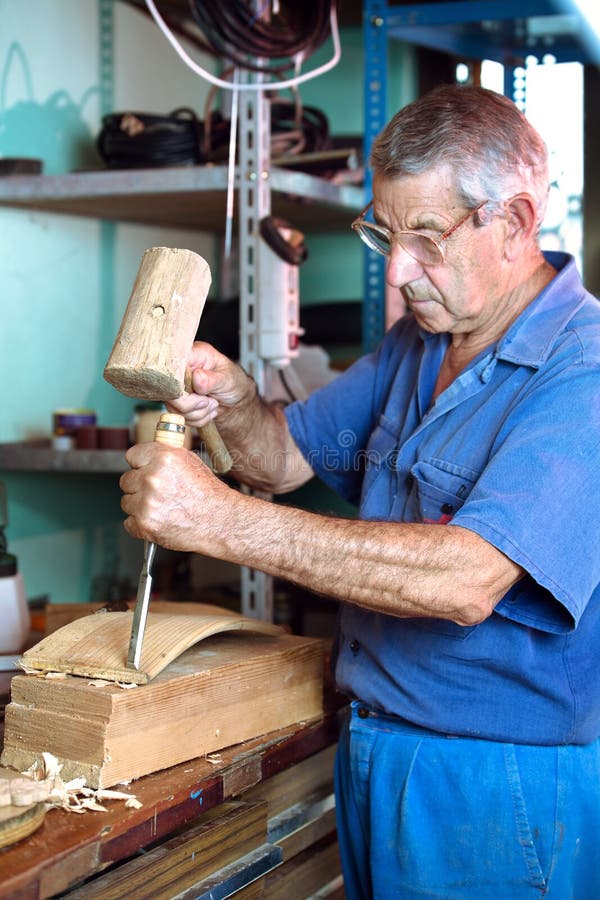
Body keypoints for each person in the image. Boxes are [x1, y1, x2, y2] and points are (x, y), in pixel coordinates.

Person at [119, 84, 600, 898]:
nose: (400, 271)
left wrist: (220, 522)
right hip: (375, 746)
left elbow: (466, 578)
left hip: (496, 782)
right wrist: (232, 398)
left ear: (515, 224)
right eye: (384, 232)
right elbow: (282, 461)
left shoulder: (579, 373)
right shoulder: (421, 341)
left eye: (426, 238)